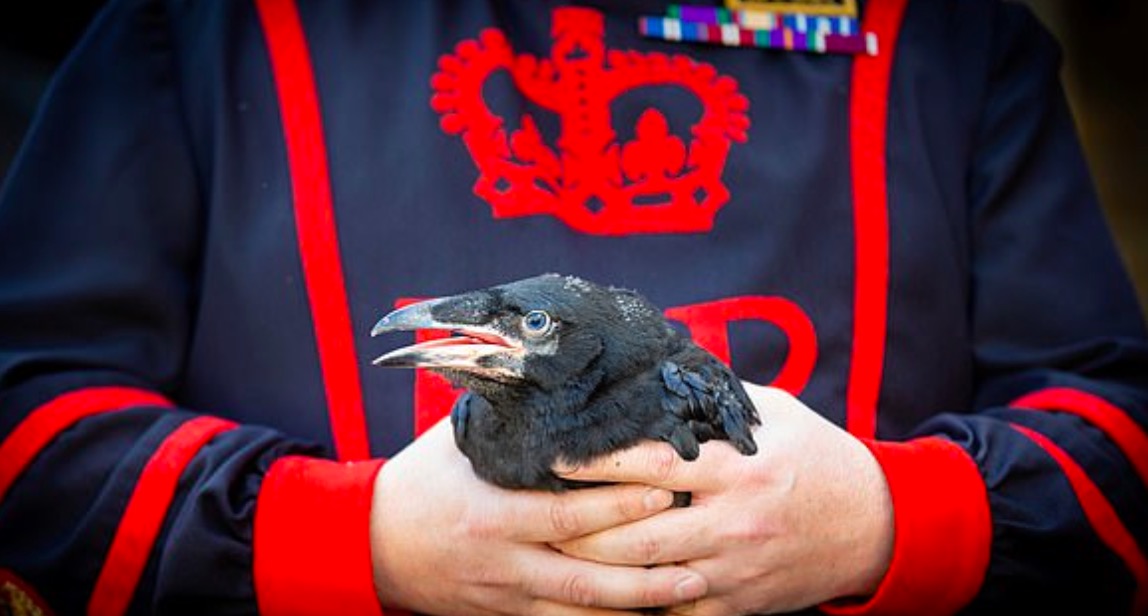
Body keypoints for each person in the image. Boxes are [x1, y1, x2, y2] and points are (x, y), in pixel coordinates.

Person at [0, 0, 1145, 614]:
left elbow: (1120, 435)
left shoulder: (951, 37)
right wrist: (354, 540)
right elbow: (23, 419)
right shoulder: (195, 24)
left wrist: (886, 517)